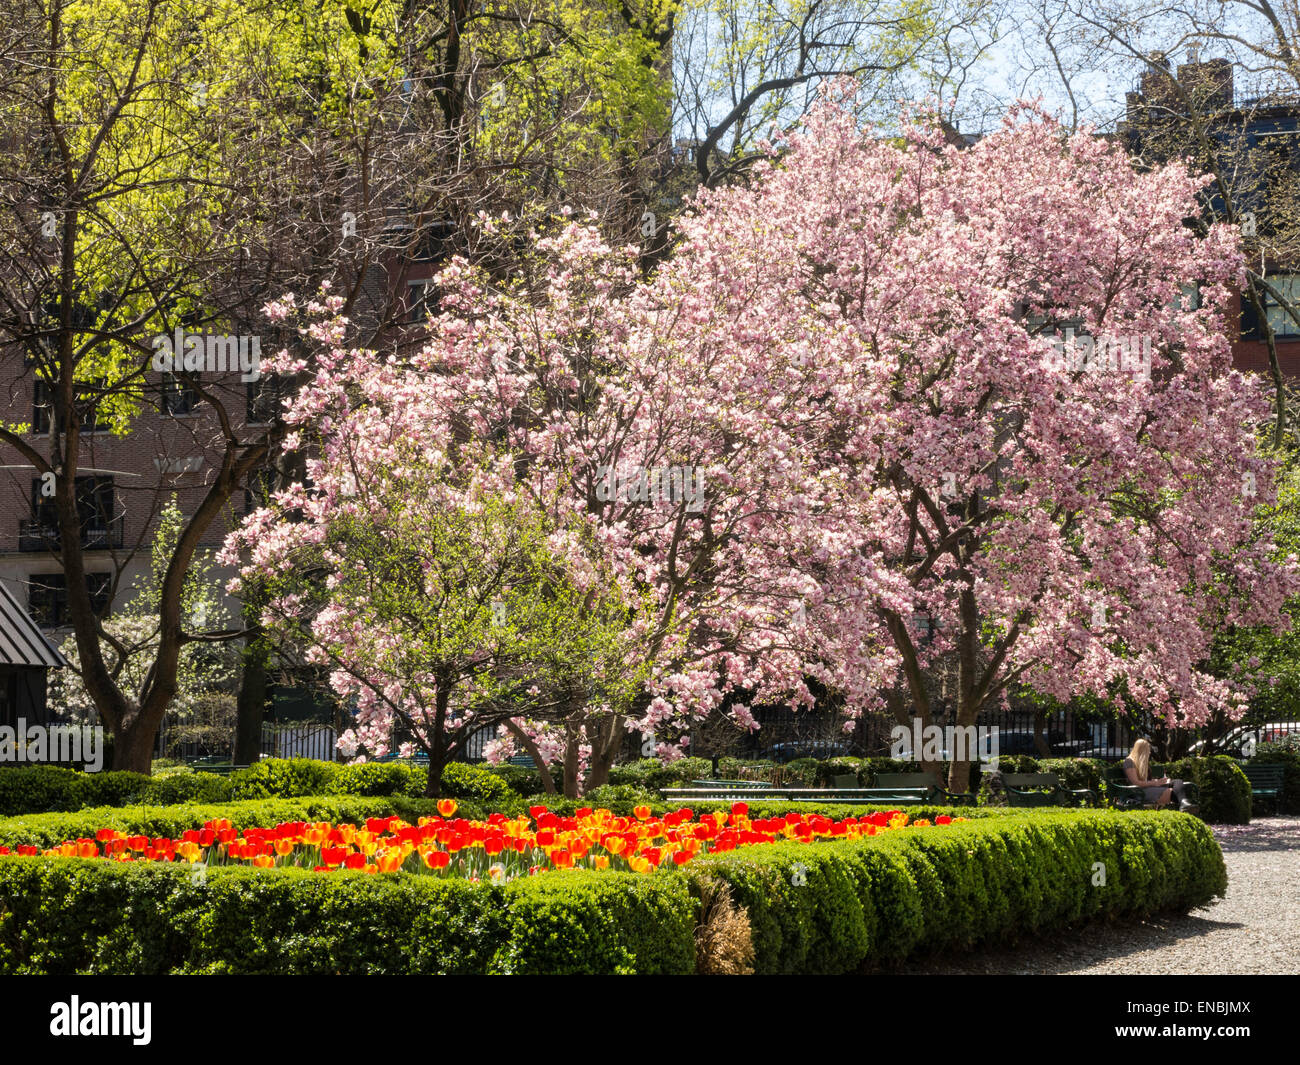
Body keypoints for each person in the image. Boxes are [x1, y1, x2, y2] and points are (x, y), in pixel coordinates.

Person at [1123, 739, 1198, 812]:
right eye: (1148, 750)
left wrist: (1158, 781)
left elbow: (1146, 781)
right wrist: (1155, 783)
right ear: (1141, 750)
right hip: (1139, 791)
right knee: (1177, 792)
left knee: (1177, 782)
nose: (1149, 753)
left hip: (1148, 787)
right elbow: (1135, 783)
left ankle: (1184, 804)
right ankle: (1185, 806)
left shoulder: (1143, 763)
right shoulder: (1129, 761)